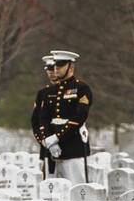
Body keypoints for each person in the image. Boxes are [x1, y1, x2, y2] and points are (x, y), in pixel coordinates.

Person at [38, 50, 93, 184]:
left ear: (71, 67)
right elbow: (43, 119)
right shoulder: (48, 92)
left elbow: (79, 117)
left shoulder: (81, 88)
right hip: (51, 149)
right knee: (51, 193)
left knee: (76, 188)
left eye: (60, 65)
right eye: (55, 65)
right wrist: (48, 140)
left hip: (73, 147)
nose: (56, 68)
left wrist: (57, 137)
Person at [31, 54, 58, 177]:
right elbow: (35, 120)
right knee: (48, 179)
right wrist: (42, 139)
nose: (51, 73)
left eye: (53, 69)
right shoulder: (42, 93)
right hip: (47, 143)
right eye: (48, 70)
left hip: (64, 140)